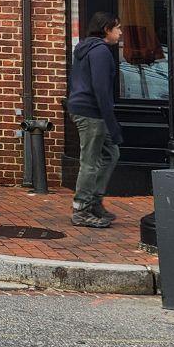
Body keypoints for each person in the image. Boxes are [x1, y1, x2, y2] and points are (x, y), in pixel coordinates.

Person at [66, 12, 125, 229]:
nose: (120, 32)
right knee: (90, 161)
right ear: (107, 29)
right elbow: (101, 89)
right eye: (117, 28)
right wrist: (110, 120)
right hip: (92, 111)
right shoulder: (100, 52)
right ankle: (81, 209)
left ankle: (94, 202)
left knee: (111, 153)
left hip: (85, 108)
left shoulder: (84, 48)